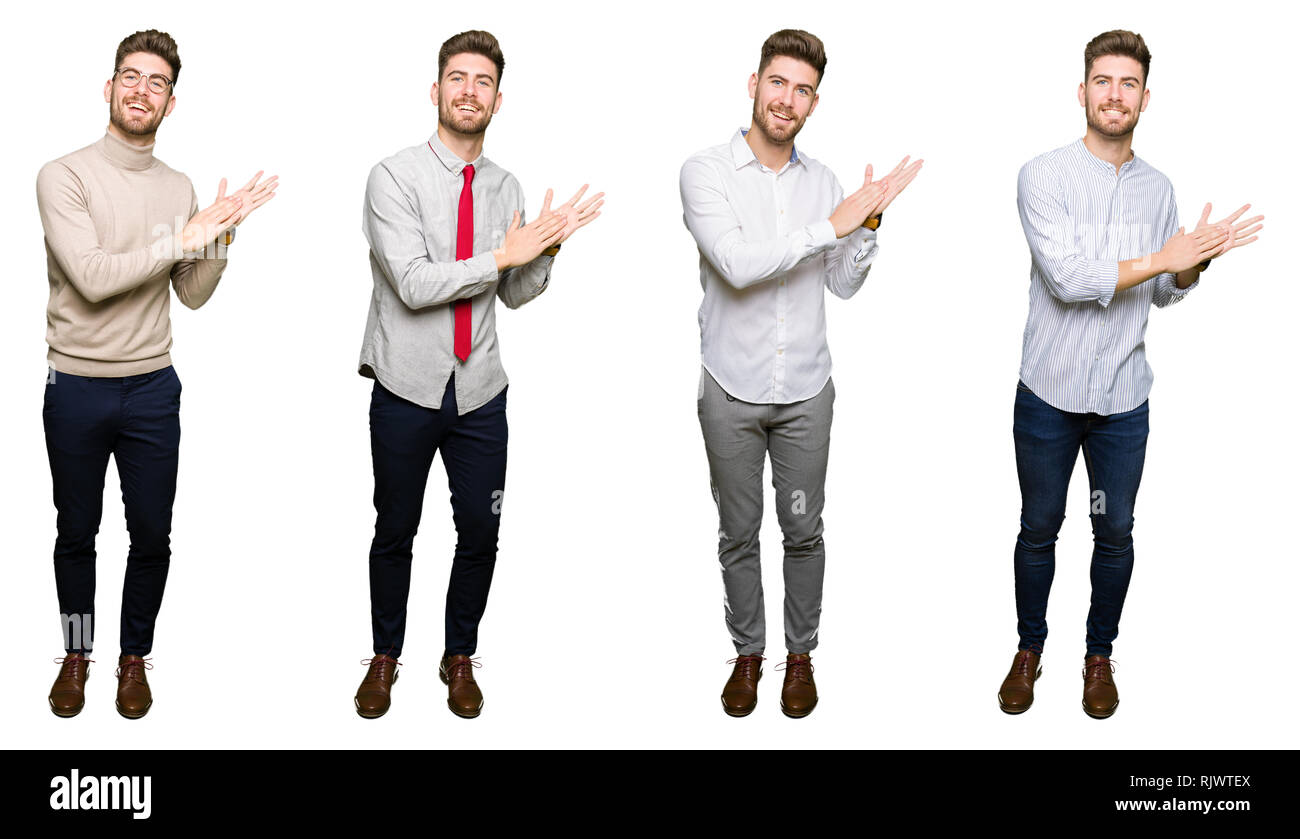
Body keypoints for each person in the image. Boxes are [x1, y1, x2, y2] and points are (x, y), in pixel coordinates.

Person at [998, 29, 1262, 719]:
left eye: (1129, 84)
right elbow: (1068, 280)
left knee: (1114, 533)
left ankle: (1098, 655)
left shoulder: (1158, 188)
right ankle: (1029, 650)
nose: (1115, 95)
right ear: (1081, 91)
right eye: (1104, 81)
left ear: (1146, 97)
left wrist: (1195, 261)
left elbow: (1165, 293)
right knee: (1039, 526)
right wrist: (1165, 256)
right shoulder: (1042, 174)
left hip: (1123, 402)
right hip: (1048, 397)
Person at [353, 30, 602, 719]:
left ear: (498, 99)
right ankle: (384, 655)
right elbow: (410, 282)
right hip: (406, 386)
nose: (469, 91)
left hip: (481, 393)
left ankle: (458, 653)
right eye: (457, 78)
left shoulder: (506, 186)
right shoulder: (393, 177)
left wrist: (547, 250)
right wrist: (502, 258)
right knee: (395, 530)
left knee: (481, 532)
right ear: (436, 92)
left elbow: (514, 295)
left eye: (483, 81)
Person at [680, 29, 922, 718]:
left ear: (816, 102)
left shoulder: (826, 183)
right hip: (730, 387)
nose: (788, 99)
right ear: (753, 84)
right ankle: (748, 652)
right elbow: (737, 263)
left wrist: (867, 221)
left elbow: (841, 283)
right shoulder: (705, 172)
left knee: (803, 529)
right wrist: (831, 226)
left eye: (804, 89)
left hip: (806, 394)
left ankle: (800, 654)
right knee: (737, 531)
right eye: (778, 82)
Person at [39, 29, 277, 719]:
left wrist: (225, 229)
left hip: (151, 387)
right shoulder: (64, 174)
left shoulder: (179, 186)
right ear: (108, 87)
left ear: (172, 102)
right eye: (130, 76)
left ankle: (133, 657)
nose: (142, 90)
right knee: (76, 532)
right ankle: (77, 653)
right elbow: (91, 277)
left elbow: (192, 292)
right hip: (76, 384)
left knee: (151, 534)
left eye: (157, 83)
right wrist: (186, 235)